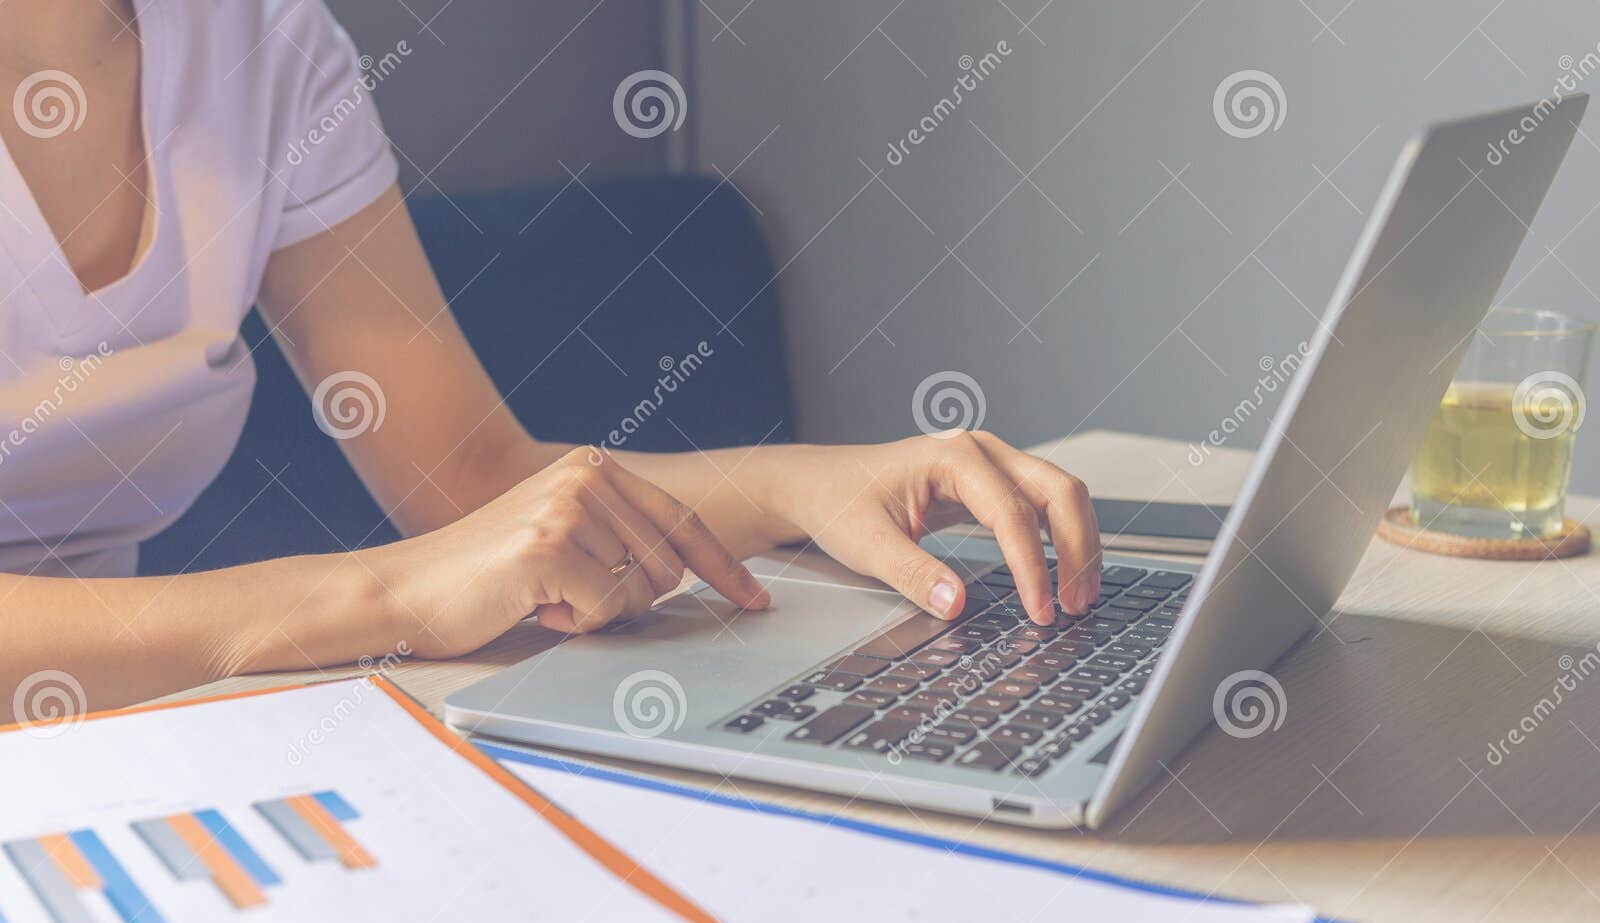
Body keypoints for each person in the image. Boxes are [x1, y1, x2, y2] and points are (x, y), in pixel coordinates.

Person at [0, 0, 1099, 721]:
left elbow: (472, 478)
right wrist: (387, 593)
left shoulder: (263, 47)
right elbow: (427, 563)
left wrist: (807, 485)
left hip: (122, 742)